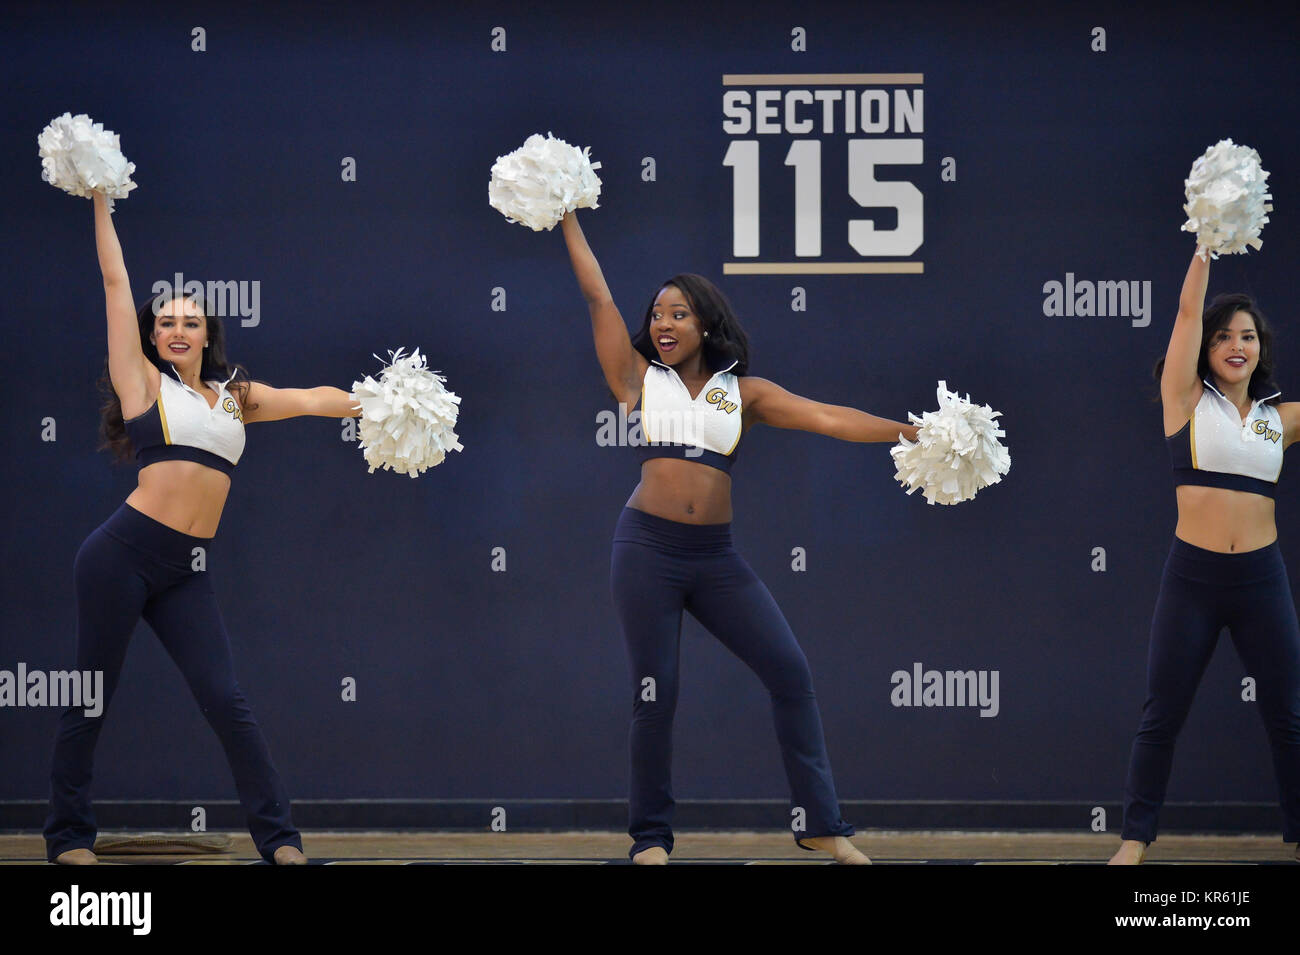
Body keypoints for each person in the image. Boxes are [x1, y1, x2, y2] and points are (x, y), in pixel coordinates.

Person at [559, 210, 920, 864]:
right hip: (646, 550)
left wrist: (914, 432)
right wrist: (566, 214)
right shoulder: (639, 380)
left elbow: (829, 418)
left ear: (705, 326)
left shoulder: (744, 393)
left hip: (714, 558)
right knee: (656, 690)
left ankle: (820, 824)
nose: (663, 323)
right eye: (658, 314)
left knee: (789, 670)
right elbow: (596, 293)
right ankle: (650, 839)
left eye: (678, 314)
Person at [44, 191, 361, 865]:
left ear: (208, 333)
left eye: (191, 320)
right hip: (121, 555)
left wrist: (385, 403)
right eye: (167, 322)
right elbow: (114, 280)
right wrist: (101, 198)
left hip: (186, 568)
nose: (179, 329)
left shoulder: (235, 397)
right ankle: (68, 837)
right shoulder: (143, 386)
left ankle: (280, 842)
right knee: (91, 695)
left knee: (226, 698)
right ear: (152, 336)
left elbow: (312, 399)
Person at [1109, 246, 1300, 864]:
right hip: (1193, 577)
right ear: (1207, 350)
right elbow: (1190, 306)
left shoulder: (1283, 418)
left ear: (1260, 348)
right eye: (1222, 337)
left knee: (1289, 717)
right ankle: (1134, 844)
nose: (1235, 345)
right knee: (1161, 714)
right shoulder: (1185, 399)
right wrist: (1204, 248)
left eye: (1247, 336)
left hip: (1261, 580)